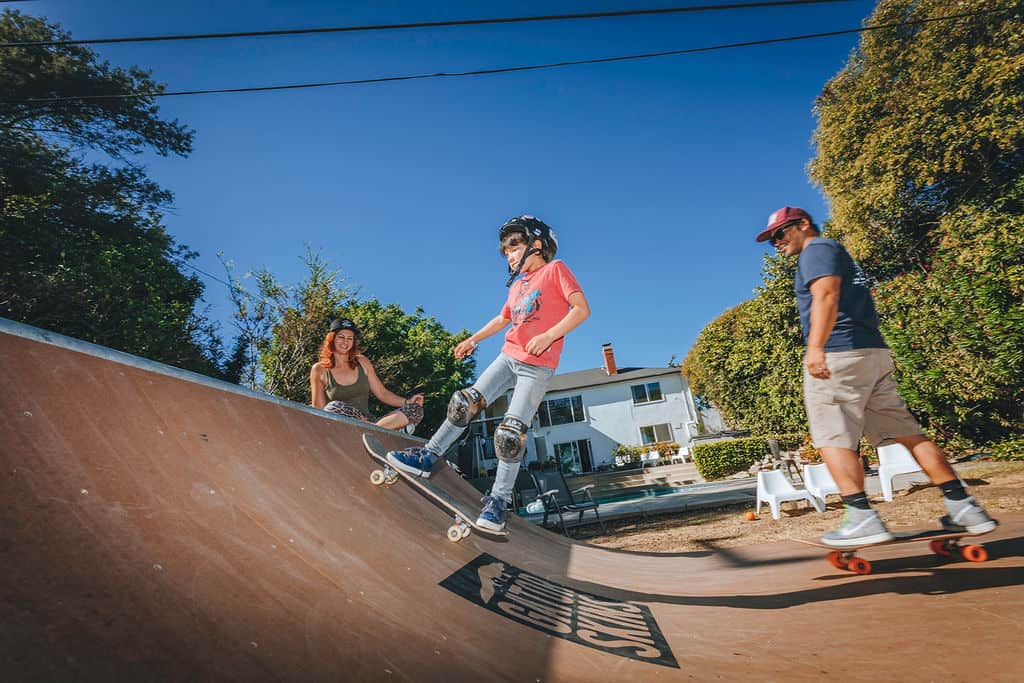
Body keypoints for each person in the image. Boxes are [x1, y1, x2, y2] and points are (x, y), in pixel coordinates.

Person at [756, 206, 997, 548]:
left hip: (838, 354)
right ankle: (964, 507)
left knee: (831, 438)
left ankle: (861, 517)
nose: (776, 243)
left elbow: (826, 294)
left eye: (780, 234)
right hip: (871, 353)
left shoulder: (817, 250)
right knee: (909, 433)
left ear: (803, 225)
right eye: (771, 240)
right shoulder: (838, 253)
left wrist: (815, 348)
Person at [386, 215, 590, 532]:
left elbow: (581, 309)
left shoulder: (555, 270)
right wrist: (472, 339)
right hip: (509, 357)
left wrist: (548, 336)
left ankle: (498, 501)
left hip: (537, 366)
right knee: (464, 403)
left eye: (514, 247)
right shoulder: (518, 286)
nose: (508, 255)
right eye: (505, 251)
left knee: (509, 434)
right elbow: (502, 319)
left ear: (536, 246)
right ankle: (428, 456)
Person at [310, 318, 424, 432]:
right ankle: (390, 430)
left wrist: (408, 402)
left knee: (415, 409)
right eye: (341, 337)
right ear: (332, 338)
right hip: (343, 423)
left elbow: (382, 393)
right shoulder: (319, 369)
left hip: (371, 422)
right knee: (333, 407)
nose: (345, 342)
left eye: (350, 338)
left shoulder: (362, 362)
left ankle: (377, 429)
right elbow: (318, 409)